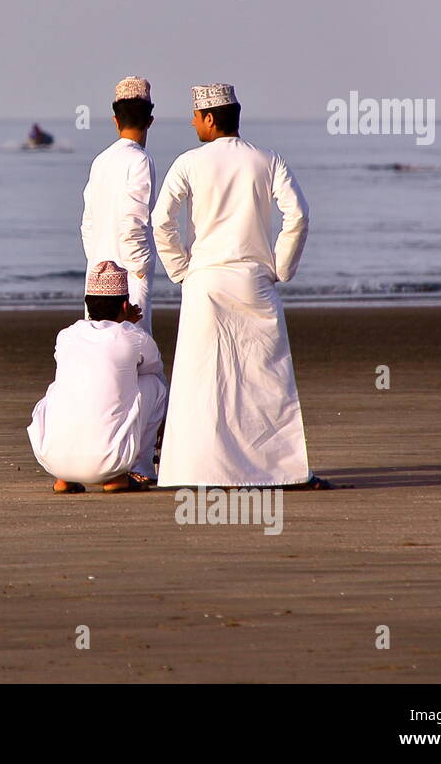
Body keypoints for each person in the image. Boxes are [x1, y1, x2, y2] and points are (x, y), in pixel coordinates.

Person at [151, 83, 331, 489]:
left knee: (202, 382)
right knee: (265, 380)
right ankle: (280, 472)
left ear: (210, 118)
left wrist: (182, 269)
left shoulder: (188, 162)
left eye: (195, 115)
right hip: (254, 279)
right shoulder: (268, 160)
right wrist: (279, 267)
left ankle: (193, 473)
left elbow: (161, 220)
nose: (192, 121)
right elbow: (298, 215)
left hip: (205, 283)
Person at [26, 261, 168, 493]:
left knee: (60, 387)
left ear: (87, 304)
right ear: (125, 305)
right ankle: (120, 476)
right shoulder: (133, 336)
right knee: (153, 385)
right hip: (108, 462)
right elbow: (152, 367)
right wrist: (127, 327)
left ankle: (65, 478)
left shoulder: (67, 335)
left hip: (51, 460)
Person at [81, 76, 156, 333]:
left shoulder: (100, 160)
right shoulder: (139, 160)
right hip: (129, 276)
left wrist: (97, 265)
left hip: (98, 277)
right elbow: (134, 220)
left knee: (99, 346)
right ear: (149, 121)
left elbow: (87, 224)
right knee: (135, 350)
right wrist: (140, 270)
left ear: (116, 121)